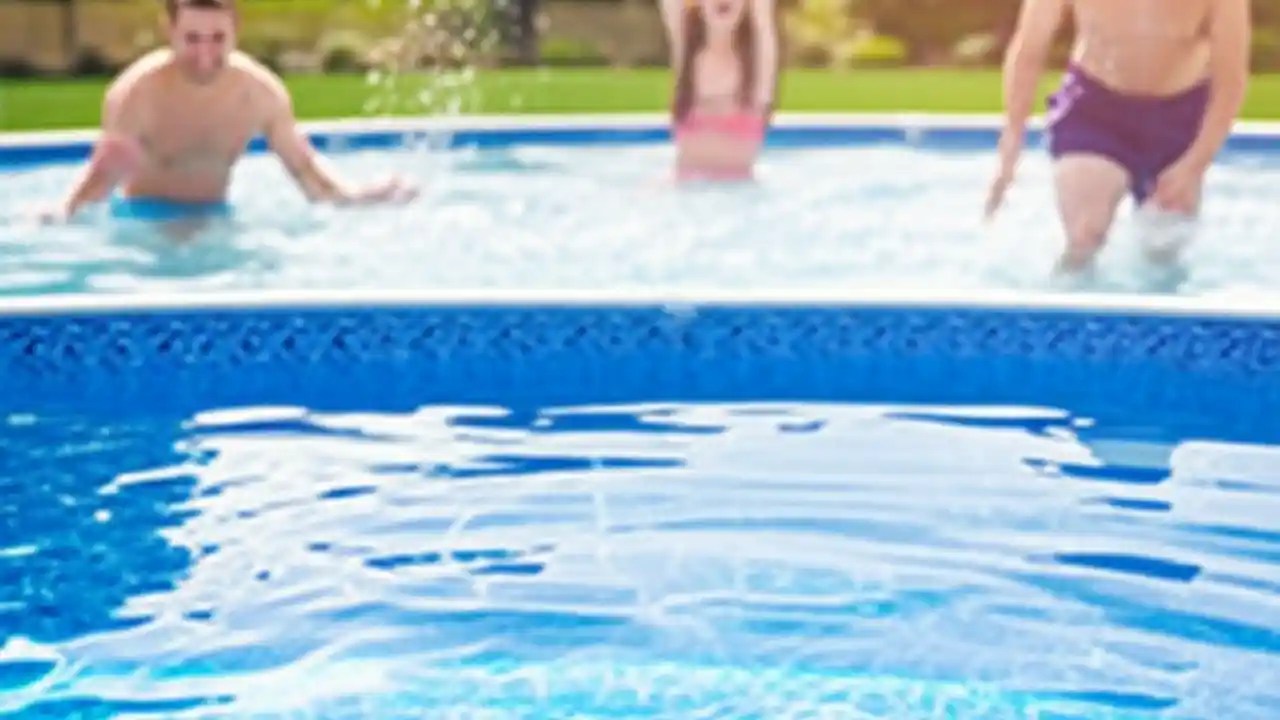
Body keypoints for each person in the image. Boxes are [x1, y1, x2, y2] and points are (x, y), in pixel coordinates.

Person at [44, 0, 416, 225]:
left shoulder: (259, 93)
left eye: (218, 39)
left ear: (236, 30)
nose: (206, 55)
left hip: (217, 221)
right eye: (192, 39)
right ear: (169, 30)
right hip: (145, 223)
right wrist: (62, 217)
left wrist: (357, 198)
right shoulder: (136, 94)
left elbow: (305, 171)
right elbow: (103, 176)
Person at [985, 0, 1251, 277]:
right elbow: (1030, 49)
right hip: (1096, 112)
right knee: (1084, 234)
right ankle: (1064, 311)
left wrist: (1194, 164)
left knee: (1163, 250)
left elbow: (1230, 81)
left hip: (1179, 121)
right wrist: (1011, 145)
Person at [659, 0, 779, 181]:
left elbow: (764, 13)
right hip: (685, 190)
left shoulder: (757, 72)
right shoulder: (687, 55)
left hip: (742, 196)